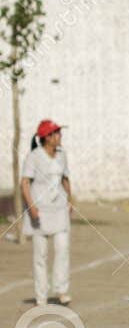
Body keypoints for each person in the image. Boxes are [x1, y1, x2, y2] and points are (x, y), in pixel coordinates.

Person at [20, 119, 74, 308]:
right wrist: (31, 207)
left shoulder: (62, 155)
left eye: (59, 132)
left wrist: (70, 199)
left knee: (63, 248)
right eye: (56, 133)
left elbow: (65, 178)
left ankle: (61, 290)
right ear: (46, 137)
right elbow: (25, 183)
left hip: (59, 210)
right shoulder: (34, 157)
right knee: (40, 255)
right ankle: (41, 296)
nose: (59, 136)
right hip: (40, 211)